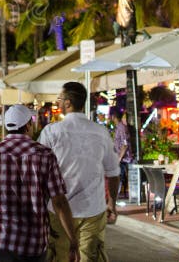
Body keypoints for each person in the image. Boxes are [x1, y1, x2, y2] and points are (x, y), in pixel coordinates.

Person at [0, 104, 78, 262]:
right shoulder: (45, 155)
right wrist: (73, 239)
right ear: (27, 125)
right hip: (33, 243)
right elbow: (59, 202)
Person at [38, 82, 119, 262]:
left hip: (58, 210)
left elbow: (39, 174)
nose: (58, 103)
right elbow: (113, 173)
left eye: (59, 99)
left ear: (68, 103)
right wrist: (112, 201)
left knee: (60, 257)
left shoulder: (51, 132)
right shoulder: (101, 132)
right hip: (92, 209)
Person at [109, 108, 133, 199]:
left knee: (119, 177)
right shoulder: (118, 127)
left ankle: (115, 197)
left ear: (114, 117)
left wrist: (119, 158)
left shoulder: (122, 127)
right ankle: (116, 196)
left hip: (123, 159)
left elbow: (125, 144)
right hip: (120, 158)